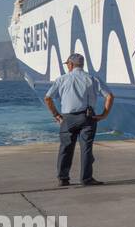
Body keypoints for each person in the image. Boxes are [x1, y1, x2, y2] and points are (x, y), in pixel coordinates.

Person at [43, 54, 113, 186]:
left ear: (70, 65)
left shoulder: (61, 79)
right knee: (86, 148)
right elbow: (109, 96)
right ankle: (86, 179)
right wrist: (104, 115)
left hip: (67, 118)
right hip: (88, 117)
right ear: (82, 65)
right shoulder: (92, 79)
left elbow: (47, 98)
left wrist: (56, 115)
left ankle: (63, 178)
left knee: (66, 148)